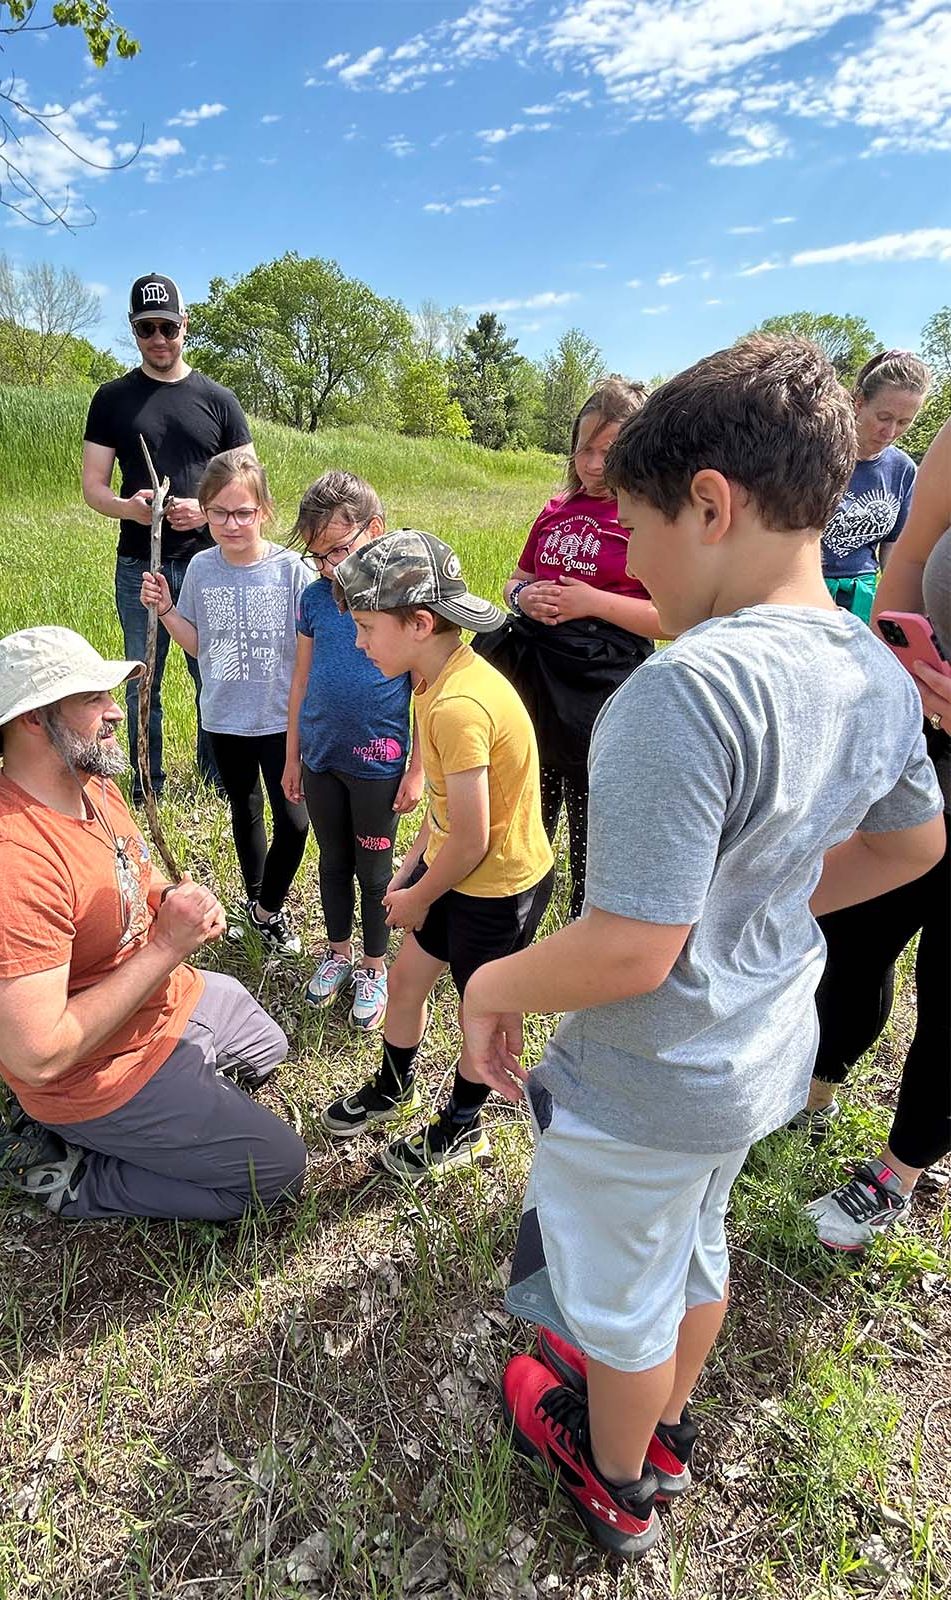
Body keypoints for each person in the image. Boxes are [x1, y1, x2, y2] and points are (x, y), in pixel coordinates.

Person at [460, 337, 944, 1559]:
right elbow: (913, 845)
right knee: (699, 1240)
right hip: (763, 1053)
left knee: (619, 1297)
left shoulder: (679, 694)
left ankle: (613, 1470)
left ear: (711, 504)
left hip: (651, 1080)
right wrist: (763, 903)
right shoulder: (869, 670)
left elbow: (630, 951)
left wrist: (494, 979)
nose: (628, 557)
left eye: (635, 526)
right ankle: (666, 1422)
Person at [0, 625, 306, 1222]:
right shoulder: (3, 870)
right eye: (92, 698)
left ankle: (173, 1104)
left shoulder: (89, 782)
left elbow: (127, 875)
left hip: (160, 1002)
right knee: (276, 1175)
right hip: (91, 1072)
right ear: (34, 718)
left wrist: (168, 899)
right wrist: (166, 945)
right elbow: (39, 1056)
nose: (115, 711)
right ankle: (73, 1175)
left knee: (268, 1048)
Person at [320, 530, 554, 1178]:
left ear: (420, 622)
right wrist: (410, 871)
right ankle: (395, 1087)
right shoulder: (430, 680)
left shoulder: (457, 704)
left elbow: (477, 838)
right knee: (406, 979)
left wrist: (420, 894)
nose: (360, 641)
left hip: (497, 886)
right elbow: (448, 810)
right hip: (453, 866)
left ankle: (461, 1128)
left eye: (366, 626)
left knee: (477, 1009)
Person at [802, 415, 951, 1248]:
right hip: (920, 744)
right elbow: (908, 567)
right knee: (853, 930)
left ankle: (900, 1168)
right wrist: (890, 673)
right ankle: (817, 1091)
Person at [82, 272, 253, 802]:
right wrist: (130, 510)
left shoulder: (218, 400)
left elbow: (247, 480)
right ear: (134, 331)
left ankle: (218, 776)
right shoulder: (112, 399)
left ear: (185, 324)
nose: (159, 339)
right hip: (141, 562)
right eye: (146, 328)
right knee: (143, 680)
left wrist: (204, 514)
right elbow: (93, 487)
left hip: (210, 564)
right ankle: (146, 783)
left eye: (167, 327)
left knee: (216, 674)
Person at [493, 378, 659, 919]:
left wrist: (593, 602)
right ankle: (520, 909)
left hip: (603, 688)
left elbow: (670, 618)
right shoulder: (555, 509)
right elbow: (514, 579)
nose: (592, 463)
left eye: (607, 451)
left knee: (593, 814)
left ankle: (585, 919)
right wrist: (525, 597)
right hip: (542, 680)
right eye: (585, 448)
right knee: (532, 803)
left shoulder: (647, 517)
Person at [141, 450, 312, 953]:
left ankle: (266, 908)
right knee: (245, 807)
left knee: (295, 821)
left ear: (263, 510)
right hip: (224, 715)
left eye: (243, 512)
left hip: (283, 720)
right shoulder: (200, 567)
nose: (231, 524)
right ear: (204, 512)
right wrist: (168, 609)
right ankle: (261, 905)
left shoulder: (291, 571)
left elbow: (312, 649)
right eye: (218, 512)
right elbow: (198, 644)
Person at [282, 472, 425, 1030]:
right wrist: (293, 757)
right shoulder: (314, 600)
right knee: (332, 860)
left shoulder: (401, 601)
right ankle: (337, 951)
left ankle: (373, 964)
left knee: (374, 869)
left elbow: (422, 688)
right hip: (321, 758)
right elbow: (300, 681)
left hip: (378, 766)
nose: (330, 567)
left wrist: (416, 770)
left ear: (375, 530)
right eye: (318, 556)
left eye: (339, 550)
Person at [821, 349, 930, 621]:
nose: (891, 431)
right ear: (859, 403)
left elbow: (893, 547)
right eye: (884, 417)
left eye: (904, 422)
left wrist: (899, 606)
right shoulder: (817, 455)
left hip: (863, 594)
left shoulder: (903, 469)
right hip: (809, 587)